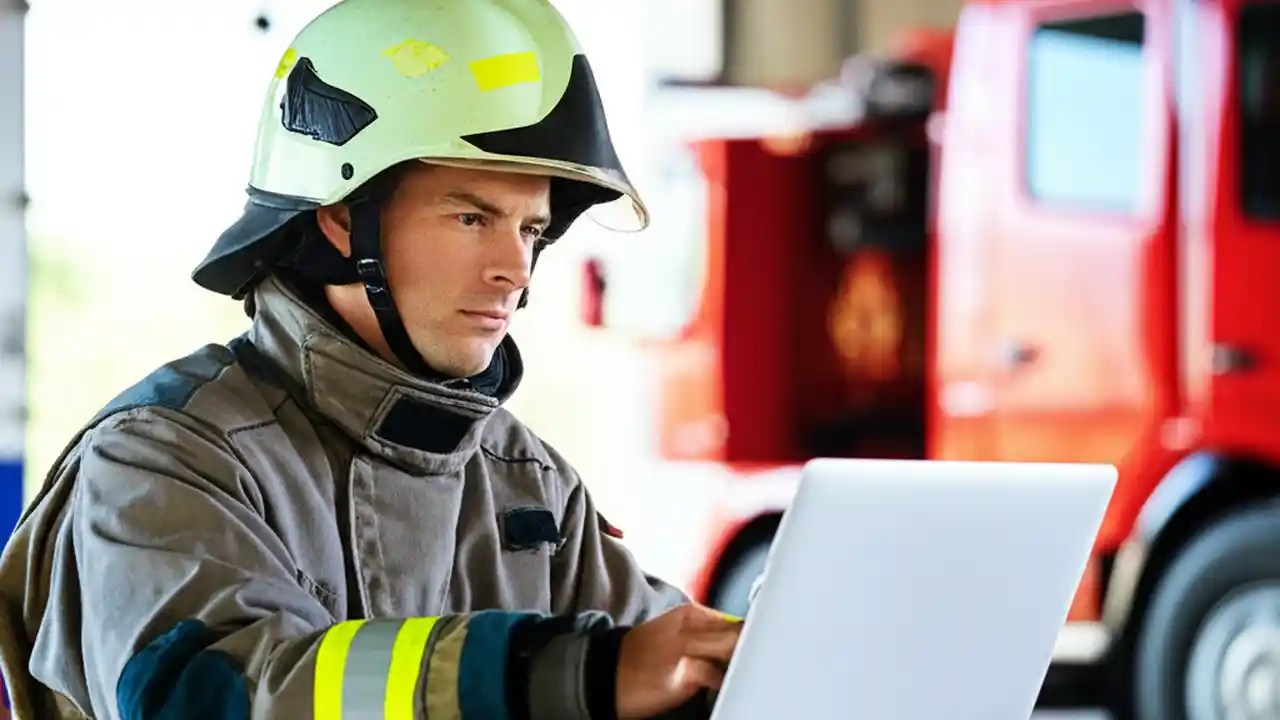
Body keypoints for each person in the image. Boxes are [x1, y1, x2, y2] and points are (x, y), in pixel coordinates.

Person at [0, 1, 743, 717]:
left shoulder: (526, 484)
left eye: (530, 229)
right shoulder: (164, 458)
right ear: (341, 218)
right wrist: (565, 673)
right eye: (471, 217)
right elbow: (220, 695)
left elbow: (668, 669)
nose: (513, 268)